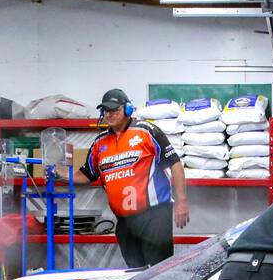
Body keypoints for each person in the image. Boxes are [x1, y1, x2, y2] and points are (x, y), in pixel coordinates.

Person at [75, 88, 188, 268]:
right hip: (125, 221)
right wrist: (58, 174)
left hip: (154, 215)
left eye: (114, 110)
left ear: (127, 110)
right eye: (106, 111)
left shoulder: (147, 131)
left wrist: (182, 202)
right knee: (136, 272)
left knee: (160, 271)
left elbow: (175, 163)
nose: (109, 114)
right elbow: (86, 175)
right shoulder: (99, 143)